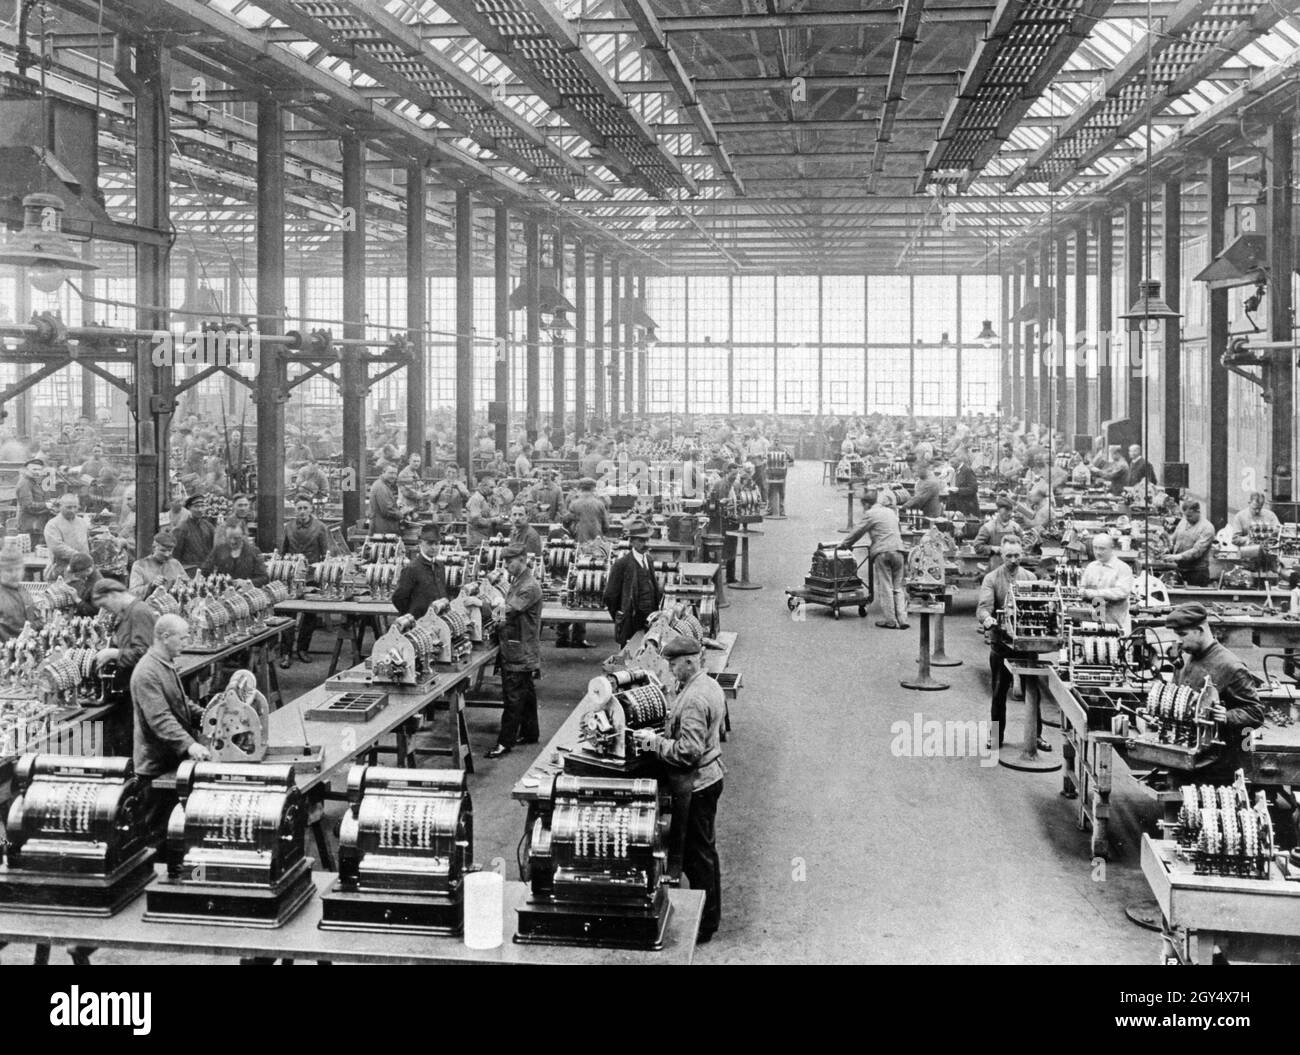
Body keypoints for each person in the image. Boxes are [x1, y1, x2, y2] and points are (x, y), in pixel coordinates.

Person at [631, 634, 726, 944]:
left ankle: (705, 924)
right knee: (703, 852)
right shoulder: (706, 684)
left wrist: (653, 742)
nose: (670, 670)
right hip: (709, 777)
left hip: (697, 783)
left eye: (673, 664)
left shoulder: (696, 698)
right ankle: (708, 916)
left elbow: (688, 752)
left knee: (697, 856)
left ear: (689, 661)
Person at [1164, 603, 1264, 784]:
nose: (1178, 640)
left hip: (1215, 767)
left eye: (1182, 634)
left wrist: (1226, 716)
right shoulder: (1186, 657)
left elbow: (1255, 713)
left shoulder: (1230, 666)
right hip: (1185, 756)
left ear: (1200, 630)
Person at [130, 614, 212, 835]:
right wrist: (190, 745)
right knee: (157, 832)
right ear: (165, 637)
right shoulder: (147, 672)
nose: (187, 643)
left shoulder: (164, 664)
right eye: (183, 639)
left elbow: (180, 703)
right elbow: (160, 719)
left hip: (171, 760)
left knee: (174, 829)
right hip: (155, 767)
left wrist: (210, 716)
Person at [976, 539, 1045, 749]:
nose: (1013, 560)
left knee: (1032, 691)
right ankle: (996, 736)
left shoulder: (1030, 577)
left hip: (1027, 643)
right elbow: (983, 607)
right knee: (999, 691)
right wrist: (987, 618)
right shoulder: (992, 578)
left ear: (1021, 554)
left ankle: (1036, 736)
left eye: (1017, 555)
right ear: (1002, 556)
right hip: (1001, 644)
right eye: (1009, 556)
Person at [487, 541, 543, 759]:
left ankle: (504, 742)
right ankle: (530, 733)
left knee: (512, 697)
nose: (506, 566)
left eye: (509, 562)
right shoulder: (519, 581)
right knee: (526, 693)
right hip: (520, 647)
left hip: (519, 651)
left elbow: (507, 612)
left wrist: (482, 605)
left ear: (522, 559)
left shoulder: (528, 586)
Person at [92, 578, 158, 755]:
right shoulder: (128, 613)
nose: (106, 611)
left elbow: (145, 654)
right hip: (127, 687)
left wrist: (113, 654)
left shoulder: (139, 612)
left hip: (137, 689)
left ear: (113, 595)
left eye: (105, 605)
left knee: (131, 745)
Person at [843, 488, 909, 630]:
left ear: (866, 504)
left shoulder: (870, 514)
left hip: (883, 552)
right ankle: (902, 619)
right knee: (898, 587)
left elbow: (857, 531)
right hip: (899, 550)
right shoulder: (890, 512)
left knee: (885, 586)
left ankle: (890, 620)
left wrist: (844, 545)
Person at [604, 519, 663, 646]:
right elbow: (610, 596)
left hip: (650, 620)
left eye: (647, 539)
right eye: (641, 540)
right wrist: (621, 617)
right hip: (631, 621)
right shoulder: (621, 564)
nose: (646, 543)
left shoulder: (649, 560)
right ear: (631, 541)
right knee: (627, 657)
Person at [1079, 533, 1134, 634]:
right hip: (1094, 621)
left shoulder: (1122, 568)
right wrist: (1082, 592)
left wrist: (1093, 593)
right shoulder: (1091, 567)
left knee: (1117, 647)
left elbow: (1122, 592)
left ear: (1111, 548)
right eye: (1095, 548)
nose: (1098, 552)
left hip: (1116, 622)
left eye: (1102, 548)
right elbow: (1083, 589)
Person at [391, 523, 448, 619]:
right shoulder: (412, 569)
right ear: (421, 543)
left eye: (437, 544)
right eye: (429, 543)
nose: (434, 547)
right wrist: (412, 615)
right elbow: (398, 598)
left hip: (439, 620)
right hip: (420, 622)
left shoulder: (440, 566)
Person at [201, 519, 269, 586]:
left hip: (245, 593)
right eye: (229, 538)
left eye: (237, 538)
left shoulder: (254, 551)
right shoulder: (218, 549)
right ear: (225, 536)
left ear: (243, 535)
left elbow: (264, 578)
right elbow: (204, 571)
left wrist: (246, 582)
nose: (232, 542)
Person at [1168, 499, 1216, 587]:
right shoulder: (1184, 521)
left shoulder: (1207, 528)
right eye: (1185, 516)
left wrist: (1177, 556)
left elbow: (1197, 551)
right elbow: (1174, 538)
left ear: (1198, 512)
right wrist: (1167, 546)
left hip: (1197, 573)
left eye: (1189, 516)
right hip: (1180, 569)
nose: (1187, 519)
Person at [42, 493, 90, 582]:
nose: (72, 510)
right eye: (68, 507)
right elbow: (57, 548)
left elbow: (87, 544)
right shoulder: (52, 524)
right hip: (62, 568)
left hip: (84, 567)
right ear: (60, 507)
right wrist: (80, 557)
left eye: (75, 507)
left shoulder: (82, 522)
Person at [129, 529, 187, 596]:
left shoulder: (175, 564)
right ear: (154, 548)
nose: (167, 554)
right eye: (163, 550)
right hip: (149, 605)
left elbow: (188, 584)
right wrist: (151, 586)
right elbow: (133, 593)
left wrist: (183, 585)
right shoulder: (139, 565)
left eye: (170, 551)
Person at [973, 497, 1022, 569]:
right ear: (998, 510)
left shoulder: (1016, 527)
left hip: (1013, 565)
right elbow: (977, 547)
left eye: (1011, 510)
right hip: (995, 567)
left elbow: (1023, 545)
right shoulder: (988, 527)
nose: (1009, 513)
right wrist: (992, 548)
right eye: (1006, 510)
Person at [172, 494, 215, 571]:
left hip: (207, 570)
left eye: (202, 506)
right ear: (189, 508)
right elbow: (175, 554)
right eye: (196, 506)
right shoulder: (181, 528)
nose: (200, 509)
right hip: (189, 570)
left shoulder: (208, 526)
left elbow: (215, 547)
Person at [16, 457, 51, 546]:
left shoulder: (33, 481)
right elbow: (28, 506)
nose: (37, 472)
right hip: (29, 526)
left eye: (39, 469)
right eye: (34, 469)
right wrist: (46, 505)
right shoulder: (25, 483)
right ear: (26, 470)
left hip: (36, 525)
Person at [0, 546, 32, 640]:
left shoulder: (23, 591)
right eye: (9, 570)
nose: (15, 574)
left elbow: (32, 620)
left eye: (18, 569)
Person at [564, 476, 609, 543]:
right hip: (597, 542)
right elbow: (606, 527)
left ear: (580, 488)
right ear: (593, 489)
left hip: (579, 541)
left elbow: (566, 523)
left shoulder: (574, 504)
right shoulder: (600, 504)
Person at [466, 474, 503, 550]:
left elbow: (490, 514)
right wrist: (494, 520)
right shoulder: (476, 499)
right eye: (491, 487)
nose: (493, 490)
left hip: (485, 538)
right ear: (483, 487)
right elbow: (476, 521)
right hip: (476, 541)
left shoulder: (485, 499)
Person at [369, 462, 402, 535]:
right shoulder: (381, 487)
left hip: (383, 528)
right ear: (383, 472)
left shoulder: (384, 485)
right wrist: (401, 514)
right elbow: (387, 511)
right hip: (382, 530)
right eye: (390, 473)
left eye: (395, 473)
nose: (393, 476)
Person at [945, 450, 980, 517]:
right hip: (956, 505)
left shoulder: (967, 471)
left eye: (952, 463)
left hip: (966, 507)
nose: (950, 465)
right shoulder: (954, 470)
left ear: (959, 461)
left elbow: (974, 488)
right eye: (950, 463)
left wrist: (959, 490)